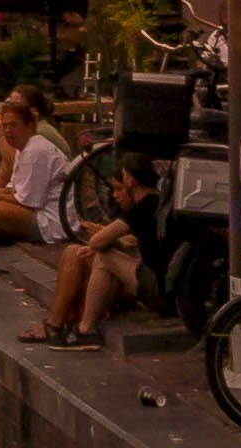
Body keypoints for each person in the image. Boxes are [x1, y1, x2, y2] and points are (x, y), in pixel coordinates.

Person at [37, 145, 155, 346]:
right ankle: (61, 322)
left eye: (119, 188)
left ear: (130, 181)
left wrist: (101, 239)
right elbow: (129, 240)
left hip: (145, 283)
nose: (115, 195)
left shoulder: (144, 207)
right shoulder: (150, 206)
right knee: (74, 252)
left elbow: (104, 242)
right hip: (139, 274)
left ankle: (67, 325)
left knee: (91, 254)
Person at [0, 88, 68, 255]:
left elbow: (27, 201)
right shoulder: (22, 148)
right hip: (29, 208)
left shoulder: (36, 150)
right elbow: (12, 186)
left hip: (48, 220)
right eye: (5, 126)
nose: (8, 131)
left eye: (14, 125)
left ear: (30, 127)